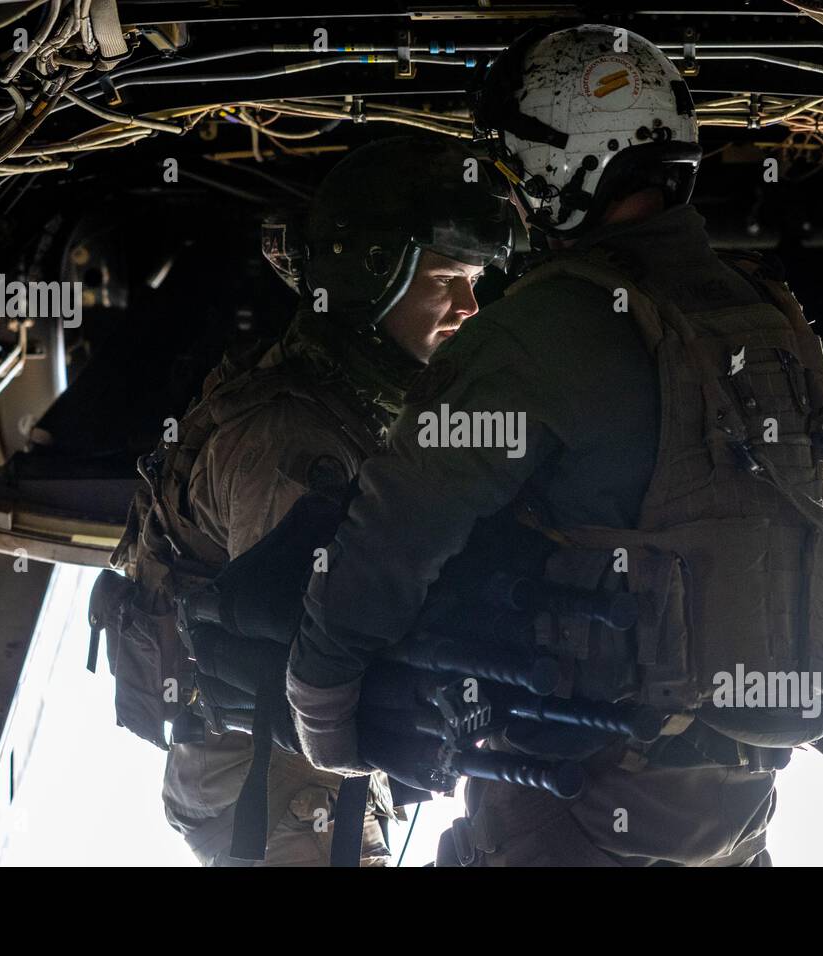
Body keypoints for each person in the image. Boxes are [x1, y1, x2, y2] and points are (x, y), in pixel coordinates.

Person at [286, 24, 823, 866]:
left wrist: (322, 704)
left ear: (561, 169)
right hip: (739, 801)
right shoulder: (769, 315)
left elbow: (397, 522)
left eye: (516, 175)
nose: (518, 201)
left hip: (583, 789)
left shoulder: (547, 327)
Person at [93, 135, 514, 866]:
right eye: (448, 278)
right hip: (278, 783)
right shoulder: (296, 439)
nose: (470, 307)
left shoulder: (326, 395)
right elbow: (310, 649)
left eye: (475, 280)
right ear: (374, 279)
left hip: (281, 772)